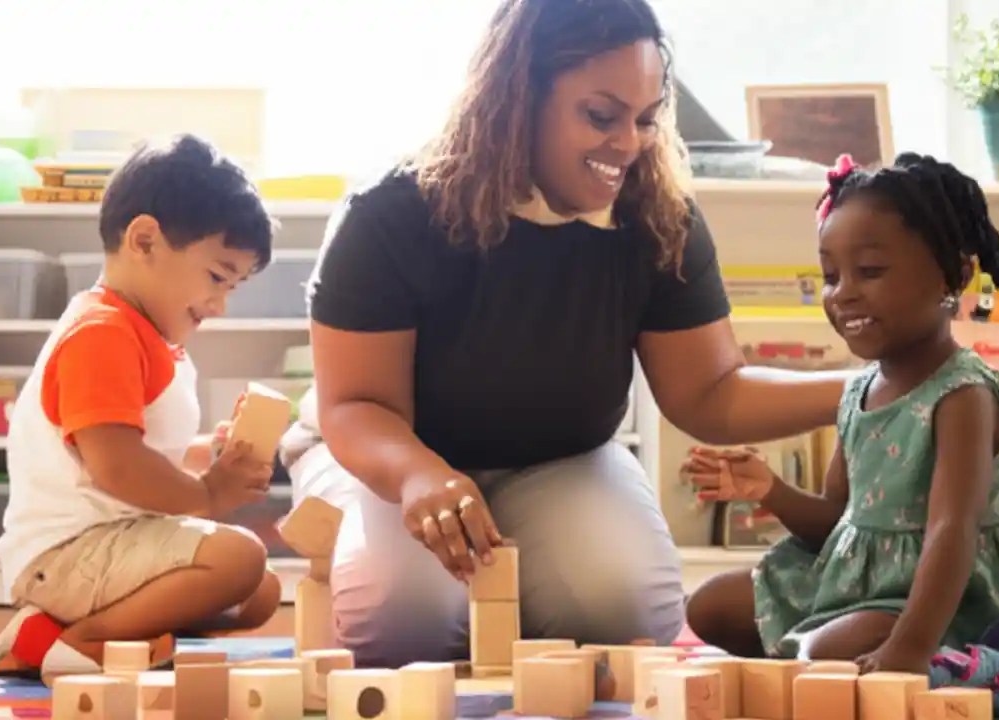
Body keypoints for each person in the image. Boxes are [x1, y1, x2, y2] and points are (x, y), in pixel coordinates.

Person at [283, 0, 846, 668]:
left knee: (624, 613)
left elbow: (711, 393)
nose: (631, 143)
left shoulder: (658, 219)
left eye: (644, 119)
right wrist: (418, 476)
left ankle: (513, 609)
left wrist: (868, 385)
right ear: (516, 98)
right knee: (403, 623)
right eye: (601, 117)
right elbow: (356, 407)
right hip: (388, 461)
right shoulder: (391, 215)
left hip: (560, 460)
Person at [684, 153, 999, 673]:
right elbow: (834, 521)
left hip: (955, 600)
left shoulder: (962, 396)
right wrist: (769, 490)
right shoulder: (858, 393)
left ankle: (944, 657)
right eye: (830, 274)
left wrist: (909, 649)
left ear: (952, 276)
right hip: (861, 587)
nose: (843, 292)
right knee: (709, 605)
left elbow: (952, 530)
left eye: (869, 271)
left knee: (825, 648)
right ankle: (826, 649)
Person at [0, 135, 281, 683]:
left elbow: (149, 453)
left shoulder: (147, 338)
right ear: (145, 240)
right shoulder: (102, 334)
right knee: (238, 559)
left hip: (112, 542)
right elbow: (117, 465)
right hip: (67, 554)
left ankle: (72, 636)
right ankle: (79, 641)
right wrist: (208, 494)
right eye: (216, 276)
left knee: (261, 591)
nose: (220, 304)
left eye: (234, 286)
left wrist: (214, 457)